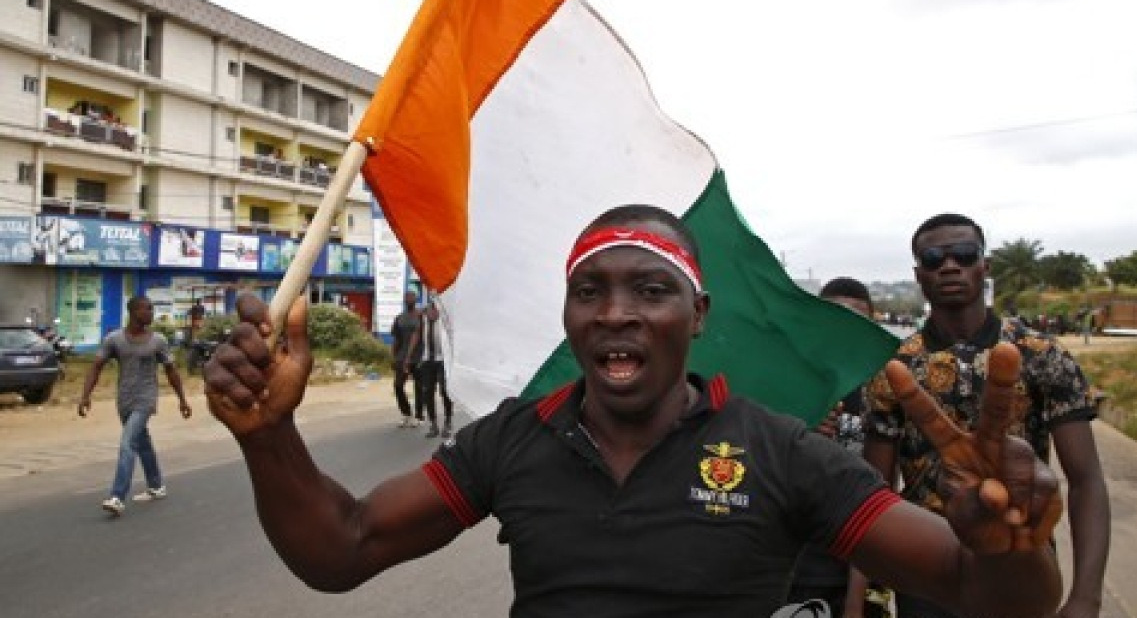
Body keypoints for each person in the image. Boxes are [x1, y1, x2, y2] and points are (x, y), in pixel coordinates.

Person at [204, 205, 1064, 617]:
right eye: (591, 291)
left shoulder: (780, 452)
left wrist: (1012, 548)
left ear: (698, 317)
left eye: (651, 290)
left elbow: (975, 588)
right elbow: (344, 550)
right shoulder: (515, 439)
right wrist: (269, 438)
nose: (615, 313)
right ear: (570, 313)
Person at [863, 213, 1110, 618]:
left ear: (984, 266)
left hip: (1021, 560)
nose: (949, 265)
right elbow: (875, 490)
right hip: (926, 566)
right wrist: (869, 594)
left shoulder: (1040, 355)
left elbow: (1086, 481)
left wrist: (1087, 597)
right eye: (932, 258)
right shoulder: (895, 369)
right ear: (919, 275)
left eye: (963, 253)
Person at [789, 277, 892, 617]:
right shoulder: (790, 386)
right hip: (787, 567)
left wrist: (854, 602)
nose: (847, 330)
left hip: (852, 563)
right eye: (836, 318)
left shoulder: (883, 392)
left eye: (858, 320)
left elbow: (880, 489)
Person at [78, 295, 192, 517]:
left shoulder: (158, 341)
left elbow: (171, 371)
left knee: (128, 443)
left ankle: (117, 496)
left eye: (151, 309)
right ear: (133, 312)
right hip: (124, 400)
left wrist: (182, 400)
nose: (151, 313)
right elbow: (96, 366)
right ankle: (156, 485)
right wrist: (85, 396)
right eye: (147, 309)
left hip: (146, 399)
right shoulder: (114, 340)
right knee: (142, 443)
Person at [415, 303, 453, 439]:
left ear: (438, 311)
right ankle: (433, 425)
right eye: (429, 312)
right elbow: (417, 335)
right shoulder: (423, 321)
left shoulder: (444, 323)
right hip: (427, 361)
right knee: (427, 392)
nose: (431, 314)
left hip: (442, 361)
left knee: (444, 391)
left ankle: (448, 423)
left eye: (433, 312)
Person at [389, 290, 424, 428]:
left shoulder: (421, 316)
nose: (409, 299)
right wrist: (393, 357)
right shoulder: (399, 318)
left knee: (419, 387)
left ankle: (419, 416)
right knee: (398, 386)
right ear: (404, 300)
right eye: (407, 297)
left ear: (416, 300)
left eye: (412, 297)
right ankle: (406, 413)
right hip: (401, 357)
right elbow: (396, 339)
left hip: (419, 357)